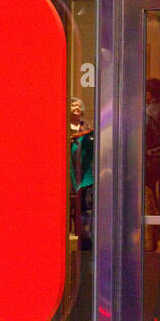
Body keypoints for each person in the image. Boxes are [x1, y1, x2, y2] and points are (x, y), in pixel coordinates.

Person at [68, 98, 95, 250]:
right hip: (69, 171)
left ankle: (84, 237)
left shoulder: (87, 127)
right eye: (73, 105)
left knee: (84, 205)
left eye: (79, 105)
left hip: (84, 173)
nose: (77, 107)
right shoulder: (63, 124)